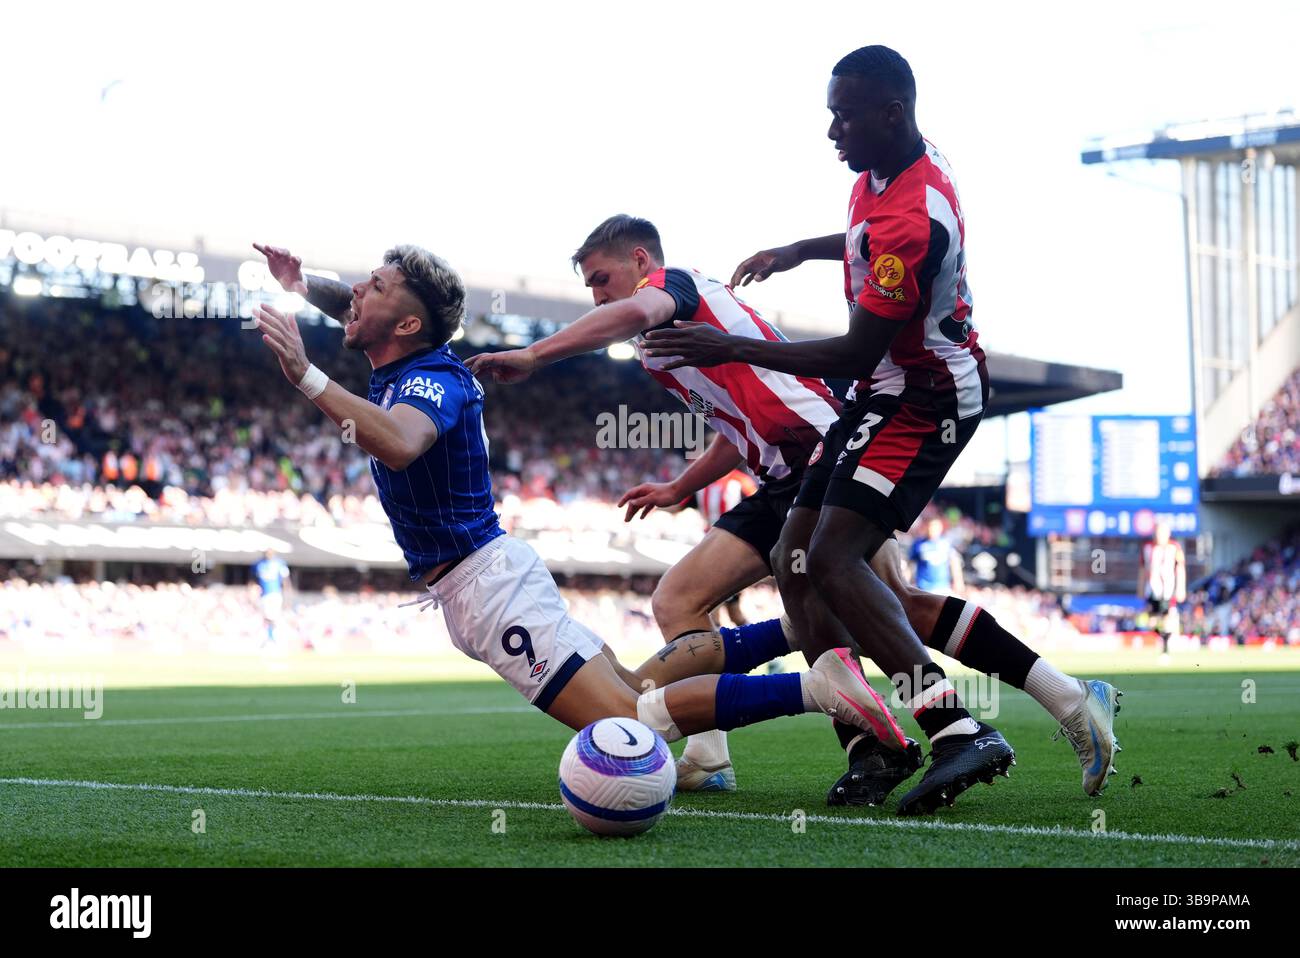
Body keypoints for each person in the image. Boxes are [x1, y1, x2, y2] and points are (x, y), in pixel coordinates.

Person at [643, 45, 1121, 808]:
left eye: (844, 114)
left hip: (928, 396)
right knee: (799, 557)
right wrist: (805, 248)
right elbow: (871, 246)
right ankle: (881, 739)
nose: (832, 129)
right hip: (885, 391)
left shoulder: (913, 214)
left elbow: (854, 346)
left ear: (891, 113)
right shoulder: (882, 173)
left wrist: (725, 343)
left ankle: (957, 729)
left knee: (835, 563)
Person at [249, 241, 904, 759]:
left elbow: (398, 443)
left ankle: (816, 687)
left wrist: (305, 374)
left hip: (487, 591)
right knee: (643, 688)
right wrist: (304, 286)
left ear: (410, 321)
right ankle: (796, 629)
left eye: (377, 285)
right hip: (488, 577)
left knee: (633, 719)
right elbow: (365, 319)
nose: (357, 291)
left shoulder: (429, 381)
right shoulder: (405, 359)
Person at [468, 216, 852, 791]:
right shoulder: (657, 352)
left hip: (825, 453)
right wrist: (680, 487)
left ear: (643, 263)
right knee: (678, 601)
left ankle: (960, 719)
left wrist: (536, 355)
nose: (597, 296)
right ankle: (711, 759)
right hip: (777, 478)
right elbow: (733, 423)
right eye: (590, 287)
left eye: (603, 279)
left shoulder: (679, 289)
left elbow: (630, 313)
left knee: (889, 606)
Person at [1138, 521, 1186, 659]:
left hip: (1168, 590)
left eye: (1163, 532)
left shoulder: (1175, 547)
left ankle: (1165, 648)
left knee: (1167, 619)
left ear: (1168, 534)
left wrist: (1181, 588)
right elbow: (1142, 569)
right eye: (1158, 532)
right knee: (1151, 622)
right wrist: (1140, 588)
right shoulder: (1147, 547)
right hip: (1151, 590)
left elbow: (1180, 568)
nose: (1160, 535)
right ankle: (1164, 639)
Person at [909, 517, 964, 595]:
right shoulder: (919, 544)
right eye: (930, 526)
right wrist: (908, 581)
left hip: (942, 587)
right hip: (923, 587)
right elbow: (911, 563)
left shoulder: (945, 543)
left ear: (940, 528)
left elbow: (954, 562)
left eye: (935, 527)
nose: (932, 529)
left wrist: (958, 581)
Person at [252, 548, 291, 646]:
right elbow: (253, 579)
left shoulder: (280, 563)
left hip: (275, 594)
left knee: (273, 616)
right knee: (266, 617)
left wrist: (287, 595)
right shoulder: (258, 564)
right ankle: (269, 637)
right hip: (263, 594)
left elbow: (285, 581)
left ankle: (273, 638)